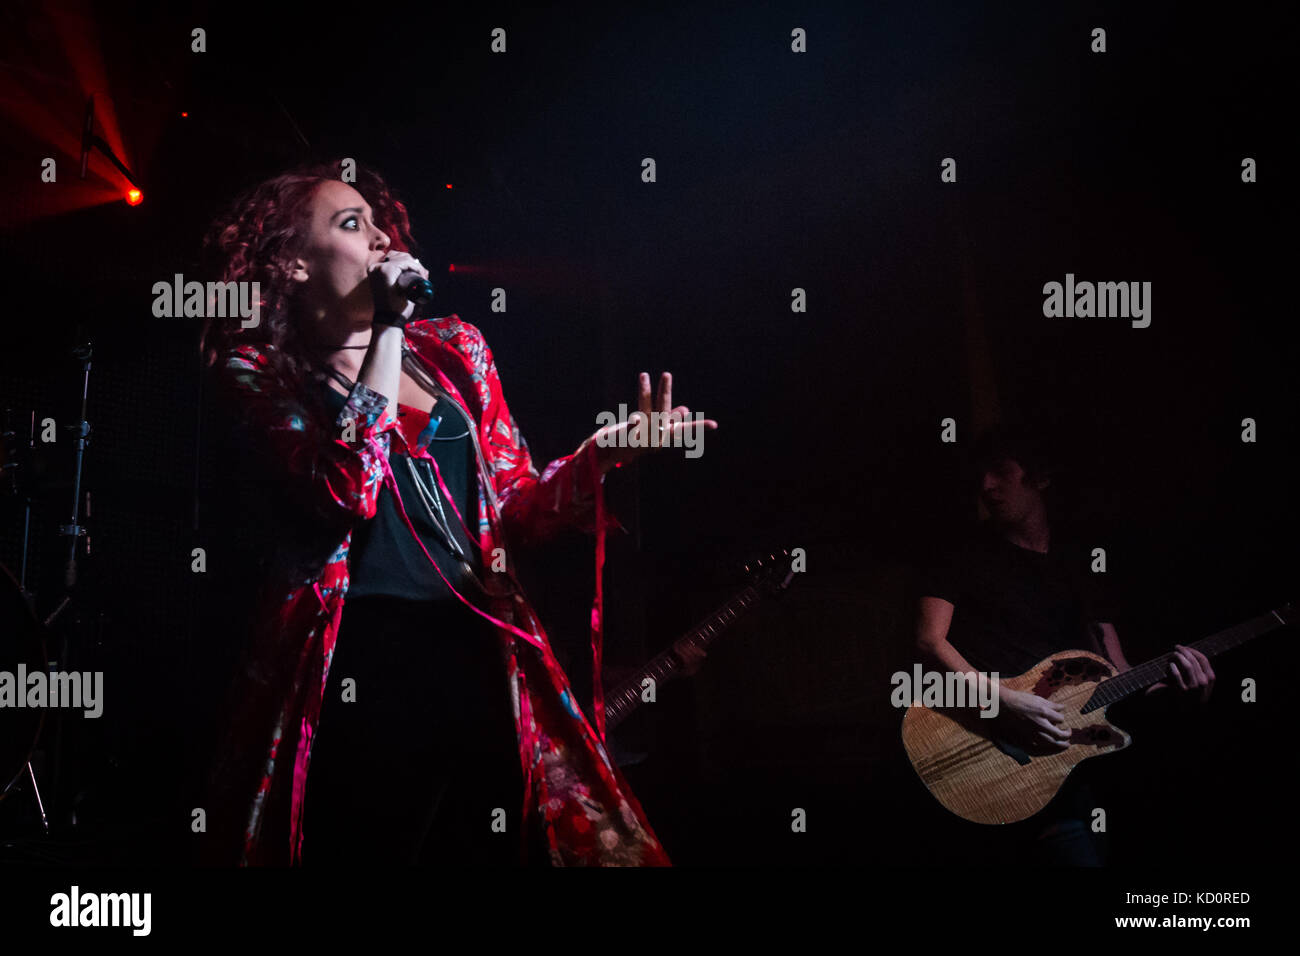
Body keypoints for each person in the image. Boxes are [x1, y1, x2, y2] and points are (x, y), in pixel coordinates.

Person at [197, 159, 716, 866]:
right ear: (289, 263)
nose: (382, 240)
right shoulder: (259, 374)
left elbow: (516, 512)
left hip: (478, 647)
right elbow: (347, 487)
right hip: (356, 664)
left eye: (382, 225)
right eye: (353, 224)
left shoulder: (454, 351)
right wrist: (384, 329)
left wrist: (600, 456)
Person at [913, 426, 1214, 865]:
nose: (986, 486)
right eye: (980, 474)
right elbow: (928, 641)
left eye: (1000, 471)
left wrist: (1185, 691)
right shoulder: (959, 555)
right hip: (980, 750)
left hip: (1065, 779)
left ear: (1041, 478)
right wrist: (1010, 702)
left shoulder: (1081, 563)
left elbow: (1118, 671)